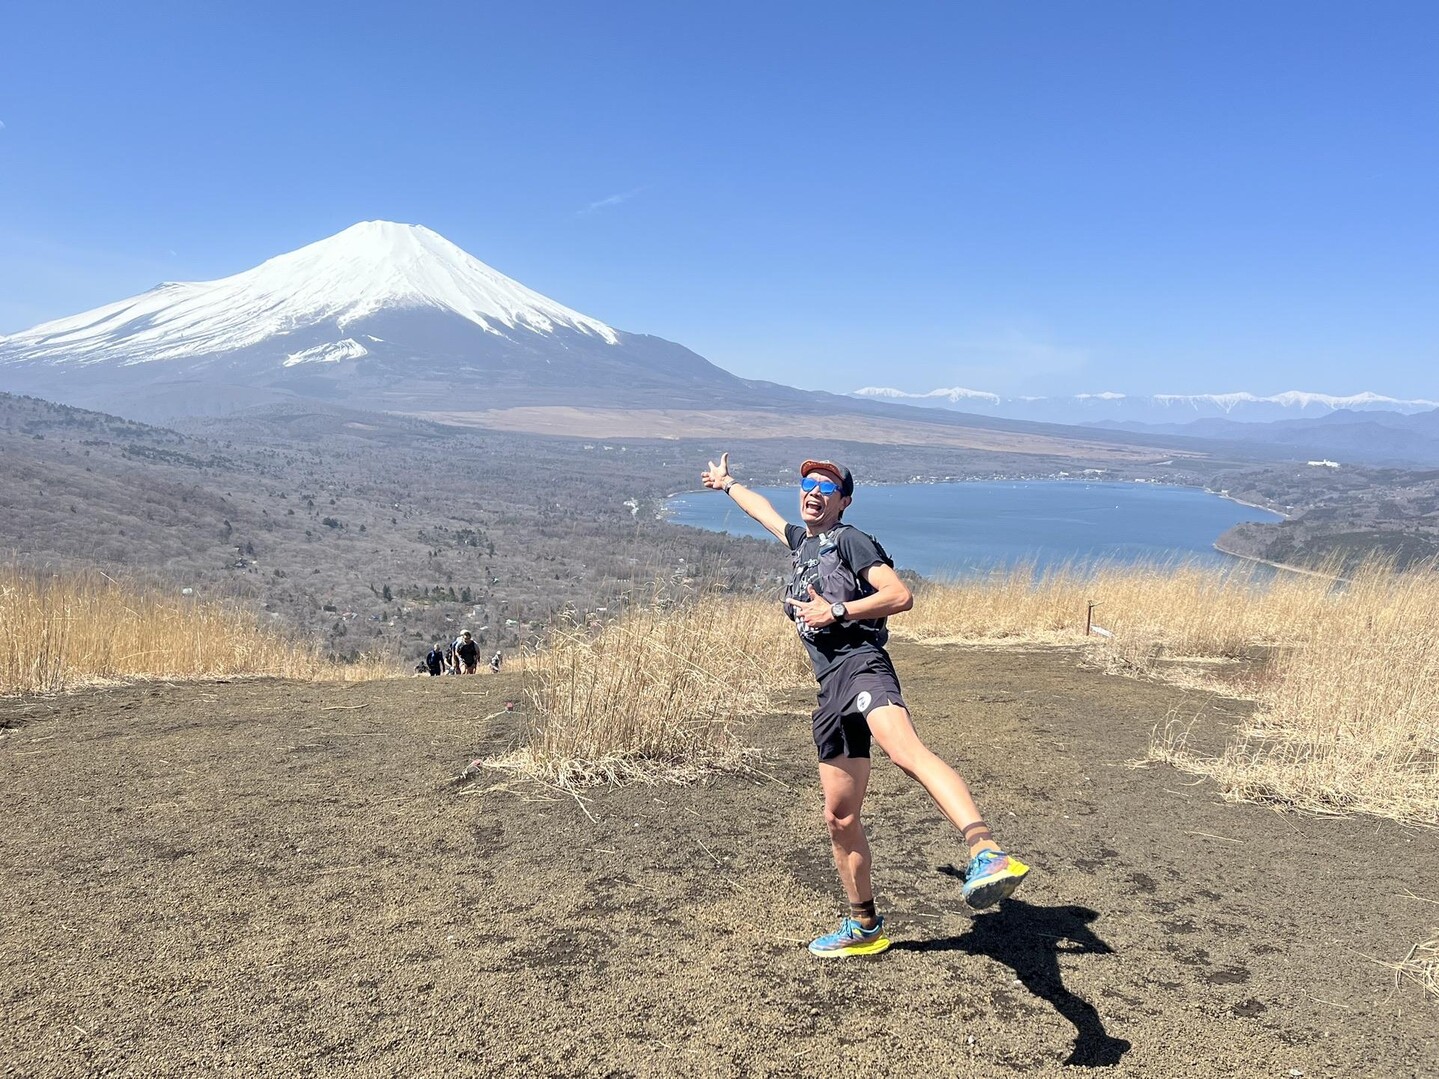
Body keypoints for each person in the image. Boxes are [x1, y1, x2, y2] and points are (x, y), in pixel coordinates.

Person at [700, 452, 1031, 958]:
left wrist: (837, 609)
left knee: (904, 750)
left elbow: (900, 595)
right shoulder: (802, 542)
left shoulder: (849, 539)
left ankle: (985, 850)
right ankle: (865, 927)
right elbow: (763, 513)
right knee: (839, 816)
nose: (814, 492)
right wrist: (727, 486)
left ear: (843, 501)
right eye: (808, 484)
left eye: (827, 488)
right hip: (830, 687)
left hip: (862, 664)